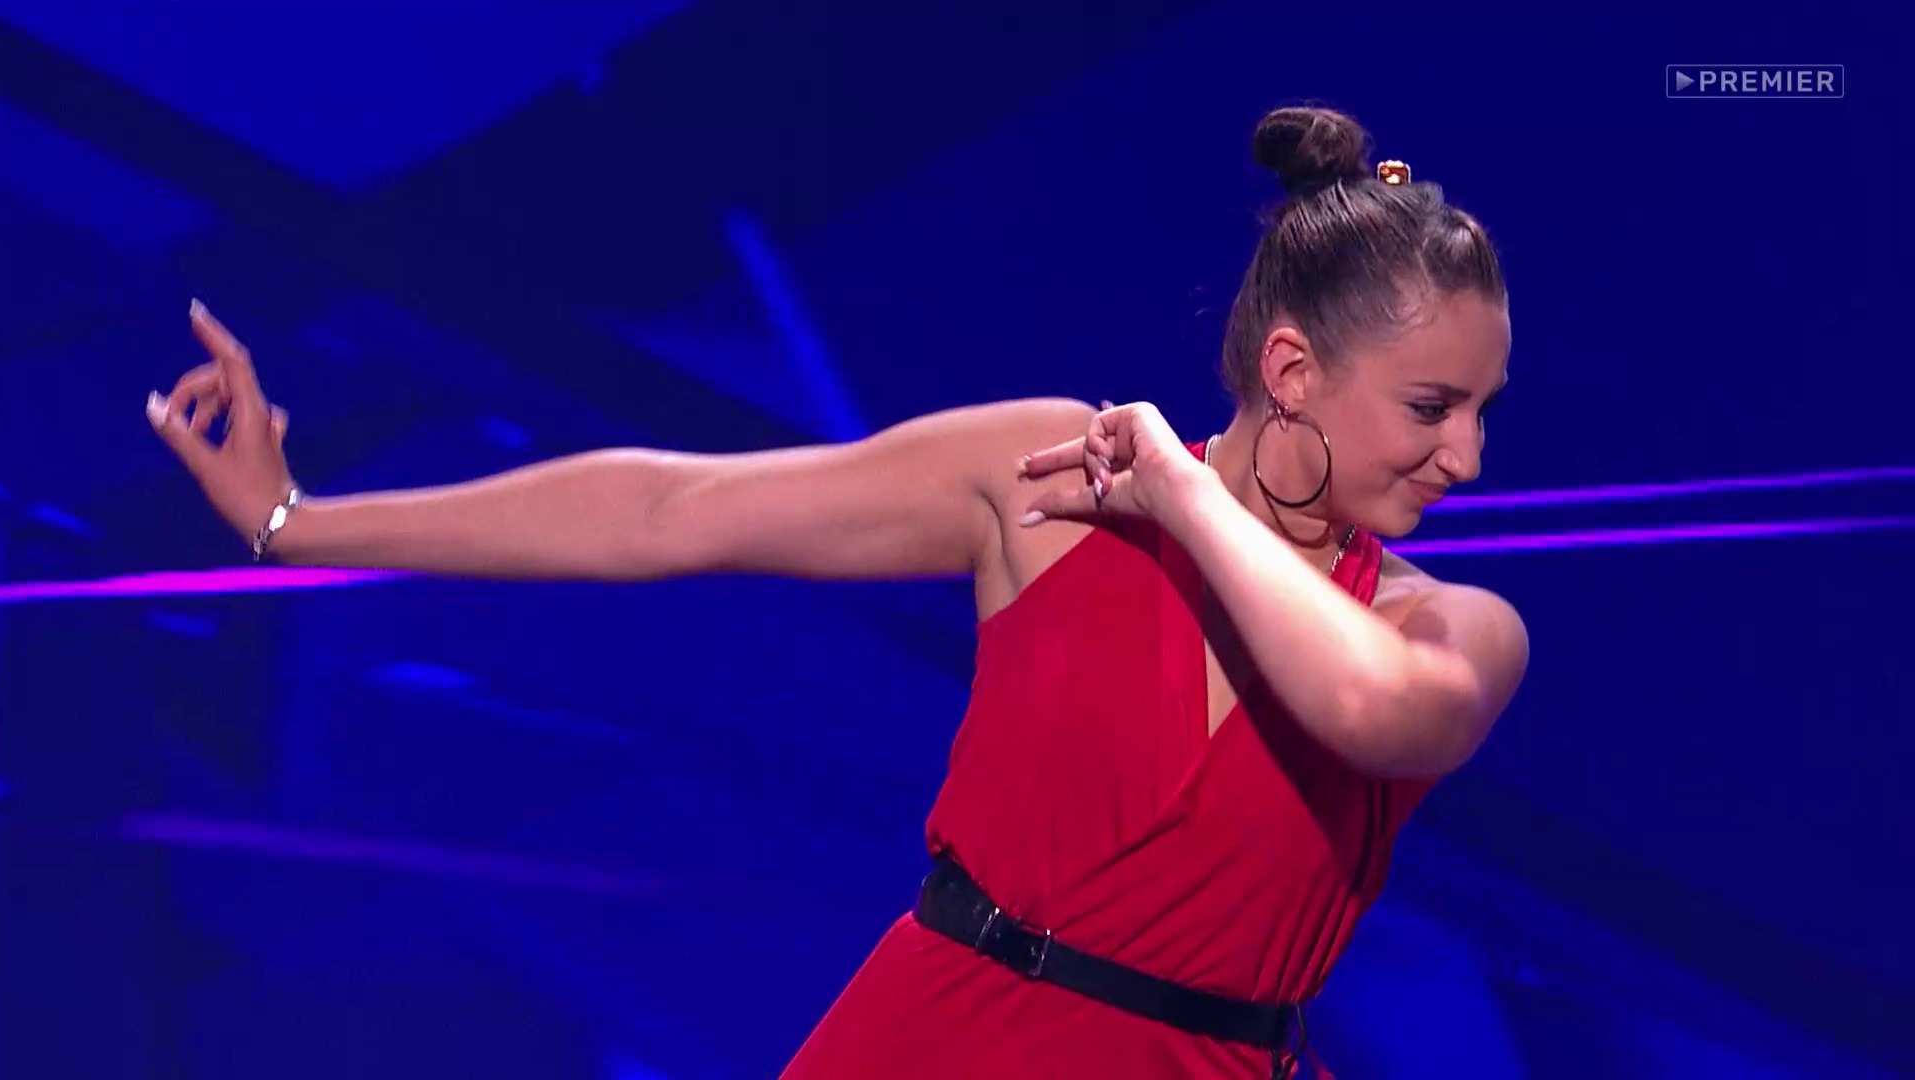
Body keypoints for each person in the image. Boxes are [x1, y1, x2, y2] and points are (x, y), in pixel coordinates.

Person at [146, 104, 1527, 1078]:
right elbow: (675, 508)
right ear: (1291, 371)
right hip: (937, 1037)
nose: (1466, 455)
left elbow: (1367, 708)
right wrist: (297, 519)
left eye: (1481, 411)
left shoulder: (1444, 628)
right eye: (1433, 406)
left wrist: (1178, 490)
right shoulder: (1042, 474)